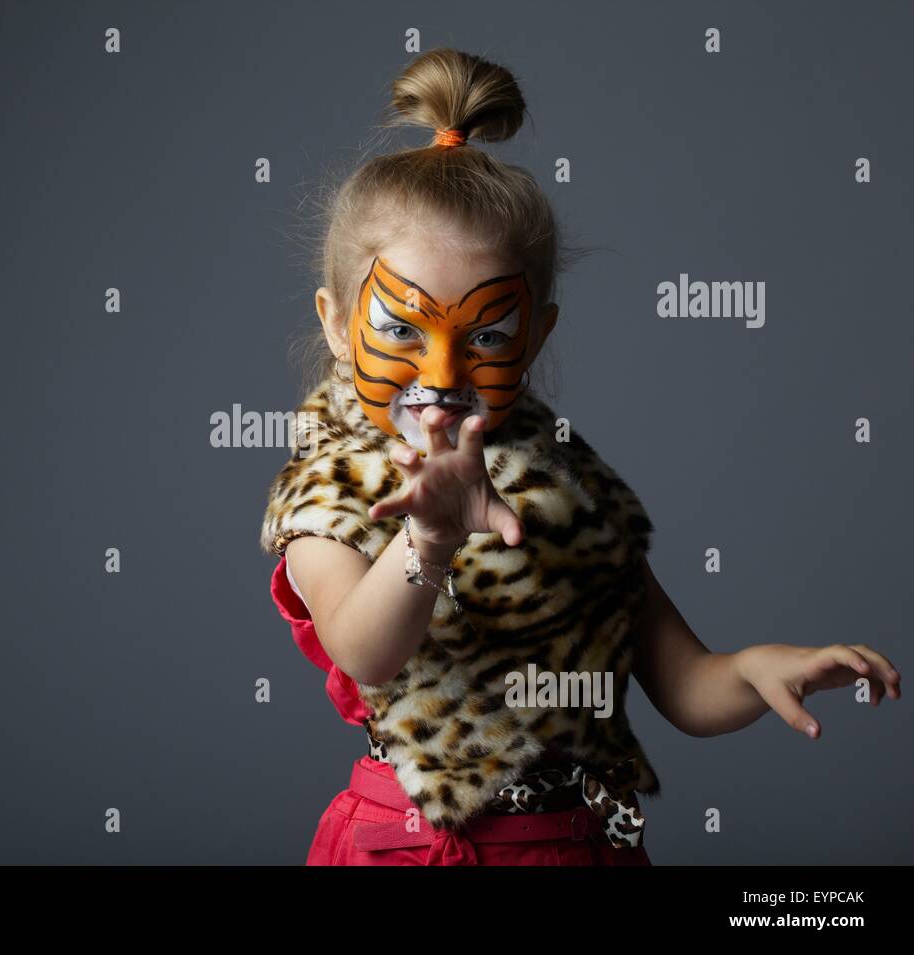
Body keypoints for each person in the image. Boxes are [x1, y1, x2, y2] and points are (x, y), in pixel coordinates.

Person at [258, 48, 901, 866]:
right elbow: (364, 648)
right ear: (336, 323)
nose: (443, 373)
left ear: (537, 335)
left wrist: (759, 669)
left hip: (572, 846)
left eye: (487, 335)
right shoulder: (330, 494)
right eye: (401, 331)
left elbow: (684, 684)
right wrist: (429, 538)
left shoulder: (565, 499)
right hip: (416, 849)